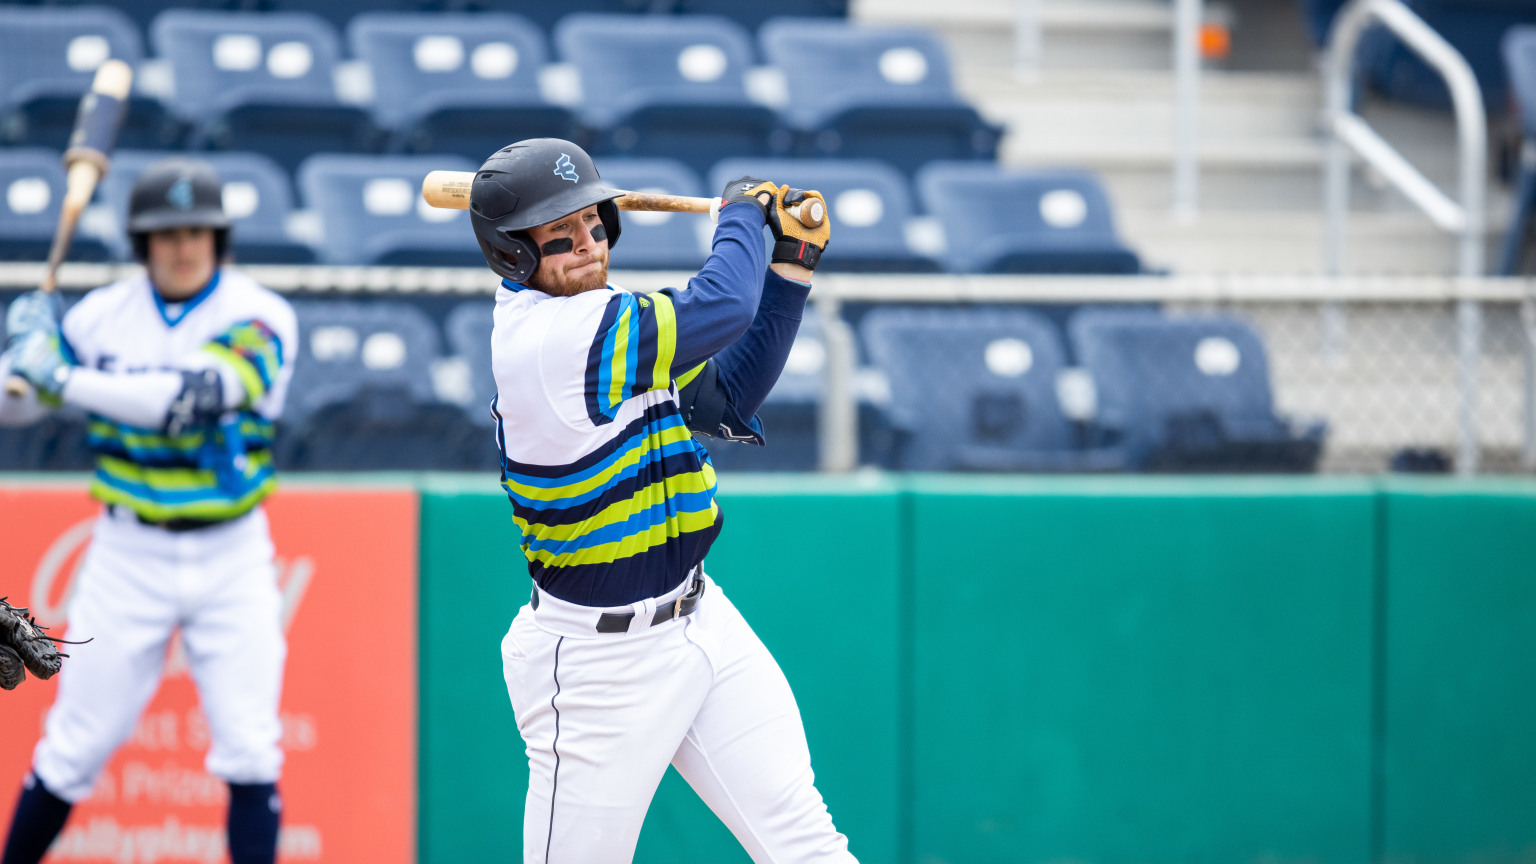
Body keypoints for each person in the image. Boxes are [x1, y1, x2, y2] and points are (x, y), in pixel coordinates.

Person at [471, 138, 852, 863]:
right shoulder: (551, 339)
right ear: (512, 254)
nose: (587, 245)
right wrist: (741, 213)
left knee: (807, 844)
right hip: (595, 665)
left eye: (593, 223)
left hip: (702, 617)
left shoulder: (600, 314)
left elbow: (727, 394)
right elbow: (722, 303)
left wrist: (791, 269)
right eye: (559, 234)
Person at [0, 157, 297, 864]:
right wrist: (20, 357)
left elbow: (189, 398)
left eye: (198, 230)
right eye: (167, 233)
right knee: (72, 747)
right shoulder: (103, 314)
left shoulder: (261, 313)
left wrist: (62, 373)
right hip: (126, 554)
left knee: (250, 747)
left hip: (233, 554)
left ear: (218, 236)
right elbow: (16, 411)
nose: (184, 245)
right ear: (143, 242)